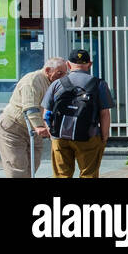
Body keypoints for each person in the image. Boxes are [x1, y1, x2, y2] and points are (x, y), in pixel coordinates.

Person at [41, 48, 115, 179]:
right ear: (90, 64)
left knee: (61, 175)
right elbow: (104, 113)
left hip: (60, 137)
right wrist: (103, 137)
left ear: (69, 65)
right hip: (89, 136)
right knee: (89, 174)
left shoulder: (57, 84)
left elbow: (46, 112)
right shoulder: (99, 84)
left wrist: (53, 135)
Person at [0, 58, 68, 177]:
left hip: (33, 129)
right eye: (60, 73)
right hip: (13, 127)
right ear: (48, 70)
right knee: (17, 166)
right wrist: (39, 126)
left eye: (65, 73)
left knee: (33, 165)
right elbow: (30, 106)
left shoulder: (54, 83)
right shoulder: (32, 80)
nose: (63, 76)